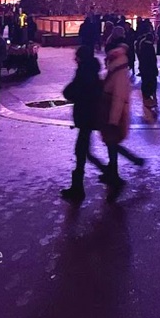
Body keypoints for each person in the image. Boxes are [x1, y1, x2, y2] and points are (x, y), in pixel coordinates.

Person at [60, 46, 103, 203]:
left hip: (85, 115)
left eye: (77, 57)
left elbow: (73, 91)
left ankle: (78, 188)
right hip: (89, 115)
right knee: (83, 151)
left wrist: (69, 92)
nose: (75, 59)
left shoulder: (84, 72)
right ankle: (79, 186)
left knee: (81, 151)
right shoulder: (91, 70)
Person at [99, 44, 132, 202]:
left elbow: (119, 96)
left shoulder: (118, 71)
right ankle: (113, 173)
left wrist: (113, 119)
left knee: (112, 143)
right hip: (110, 110)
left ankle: (115, 176)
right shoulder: (117, 68)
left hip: (113, 112)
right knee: (111, 144)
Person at [138, 31, 158, 109]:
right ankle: (149, 97)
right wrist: (155, 68)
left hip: (144, 67)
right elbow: (153, 59)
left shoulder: (142, 45)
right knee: (150, 81)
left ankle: (146, 97)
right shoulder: (150, 47)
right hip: (150, 68)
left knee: (145, 81)